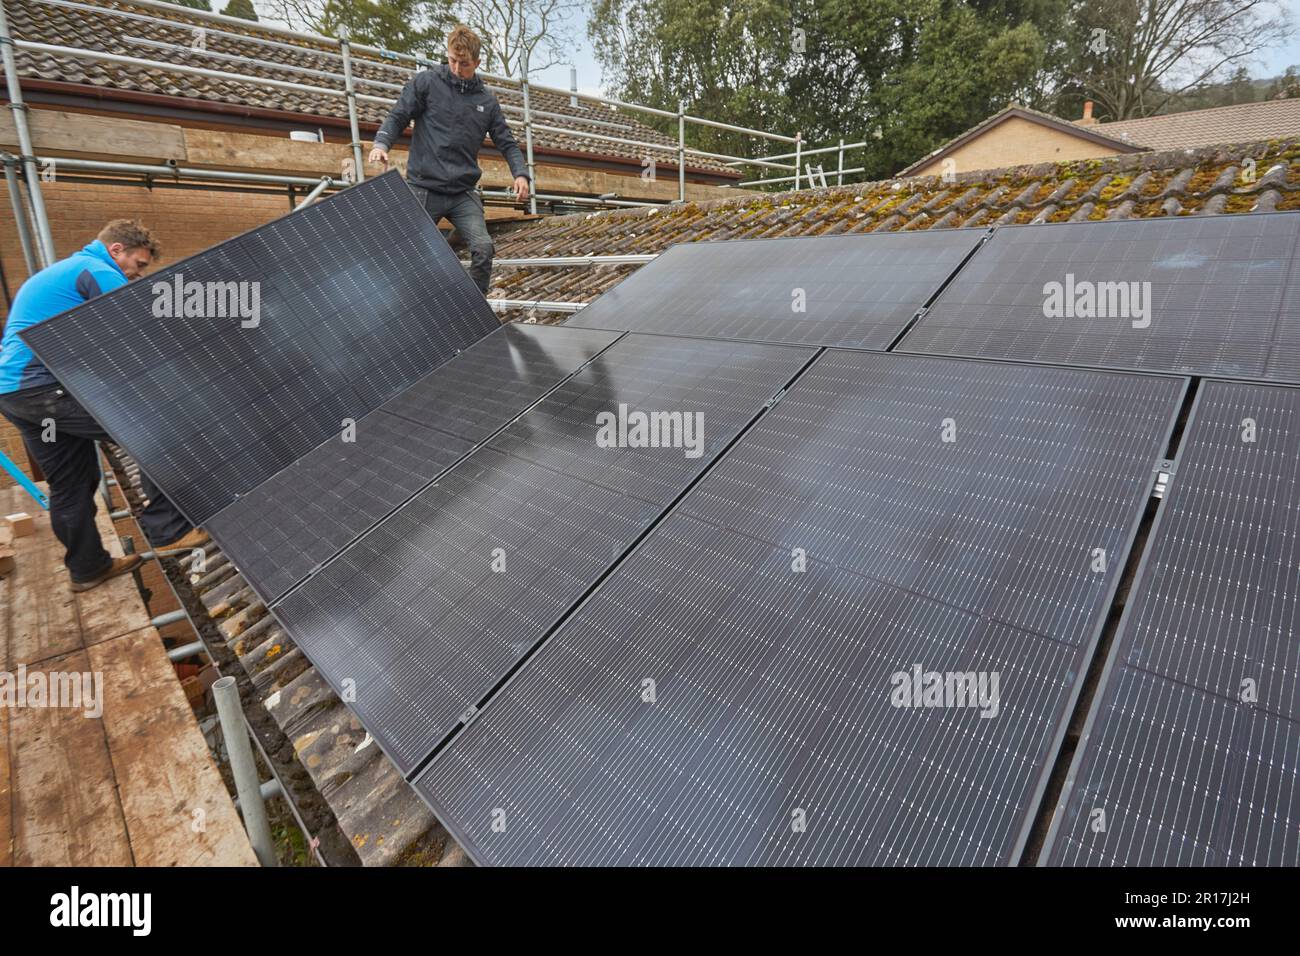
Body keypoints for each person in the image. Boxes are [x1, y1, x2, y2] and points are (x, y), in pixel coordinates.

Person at [0, 220, 206, 592]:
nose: (136, 275)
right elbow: (136, 331)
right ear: (116, 250)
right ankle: (168, 531)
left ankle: (87, 568)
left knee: (71, 482)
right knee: (161, 432)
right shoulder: (96, 270)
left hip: (17, 395)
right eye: (138, 265)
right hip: (43, 390)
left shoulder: (65, 273)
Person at [368, 24, 531, 295]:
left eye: (464, 64)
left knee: (483, 248)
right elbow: (398, 115)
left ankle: (474, 306)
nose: (456, 68)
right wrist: (381, 143)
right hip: (424, 186)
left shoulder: (487, 102)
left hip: (461, 192)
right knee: (406, 250)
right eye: (452, 60)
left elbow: (507, 142)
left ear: (477, 63)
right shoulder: (427, 83)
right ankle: (402, 303)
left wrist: (521, 174)